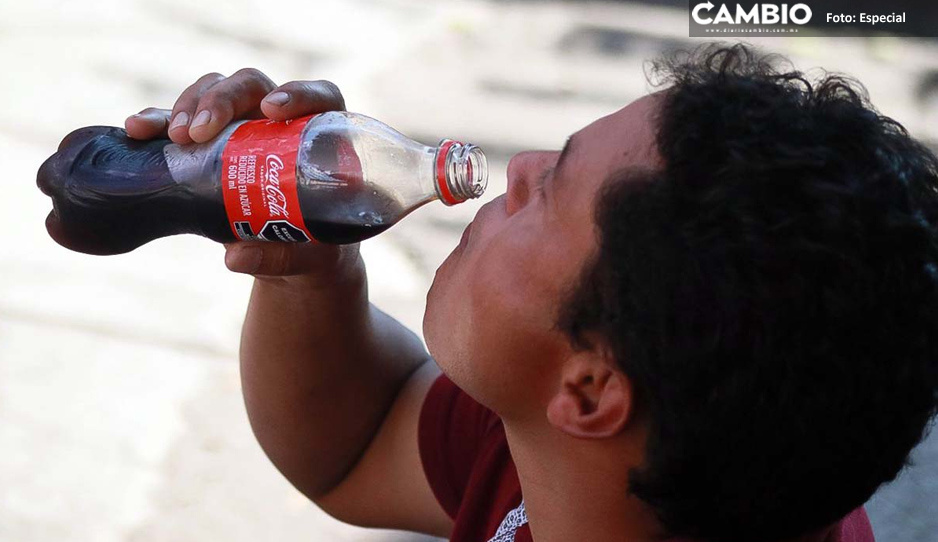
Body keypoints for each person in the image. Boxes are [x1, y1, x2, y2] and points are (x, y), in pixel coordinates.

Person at [125, 44, 938, 542]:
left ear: (591, 391)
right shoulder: (604, 460)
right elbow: (354, 448)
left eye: (551, 189)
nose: (518, 169)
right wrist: (308, 269)